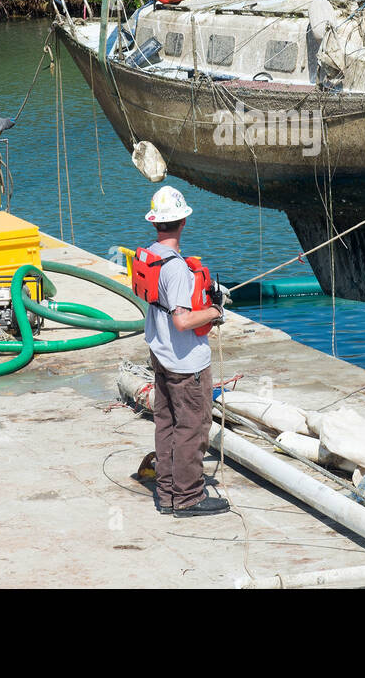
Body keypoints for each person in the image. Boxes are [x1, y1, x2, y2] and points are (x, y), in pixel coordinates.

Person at [139, 186, 227, 517]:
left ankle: (167, 493)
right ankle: (189, 498)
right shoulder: (175, 268)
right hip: (185, 362)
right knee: (192, 427)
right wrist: (216, 312)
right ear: (183, 221)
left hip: (160, 355)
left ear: (156, 224)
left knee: (166, 423)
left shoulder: (152, 255)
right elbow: (182, 320)